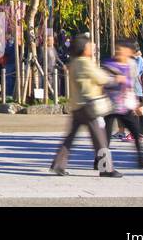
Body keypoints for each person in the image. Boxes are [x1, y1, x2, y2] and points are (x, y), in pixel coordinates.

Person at [50, 34, 121, 177]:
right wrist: (115, 79)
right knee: (99, 138)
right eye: (90, 45)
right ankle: (106, 168)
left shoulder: (74, 62)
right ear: (84, 48)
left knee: (70, 138)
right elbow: (100, 78)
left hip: (77, 105)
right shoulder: (85, 62)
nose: (92, 47)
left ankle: (58, 165)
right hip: (89, 105)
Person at [101, 39, 143, 169]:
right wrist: (114, 80)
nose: (119, 52)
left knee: (136, 132)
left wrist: (133, 100)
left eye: (122, 49)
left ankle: (142, 160)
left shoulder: (131, 64)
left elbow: (131, 83)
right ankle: (100, 162)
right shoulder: (109, 64)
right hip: (109, 105)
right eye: (117, 49)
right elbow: (102, 81)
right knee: (105, 137)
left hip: (124, 105)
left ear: (129, 52)